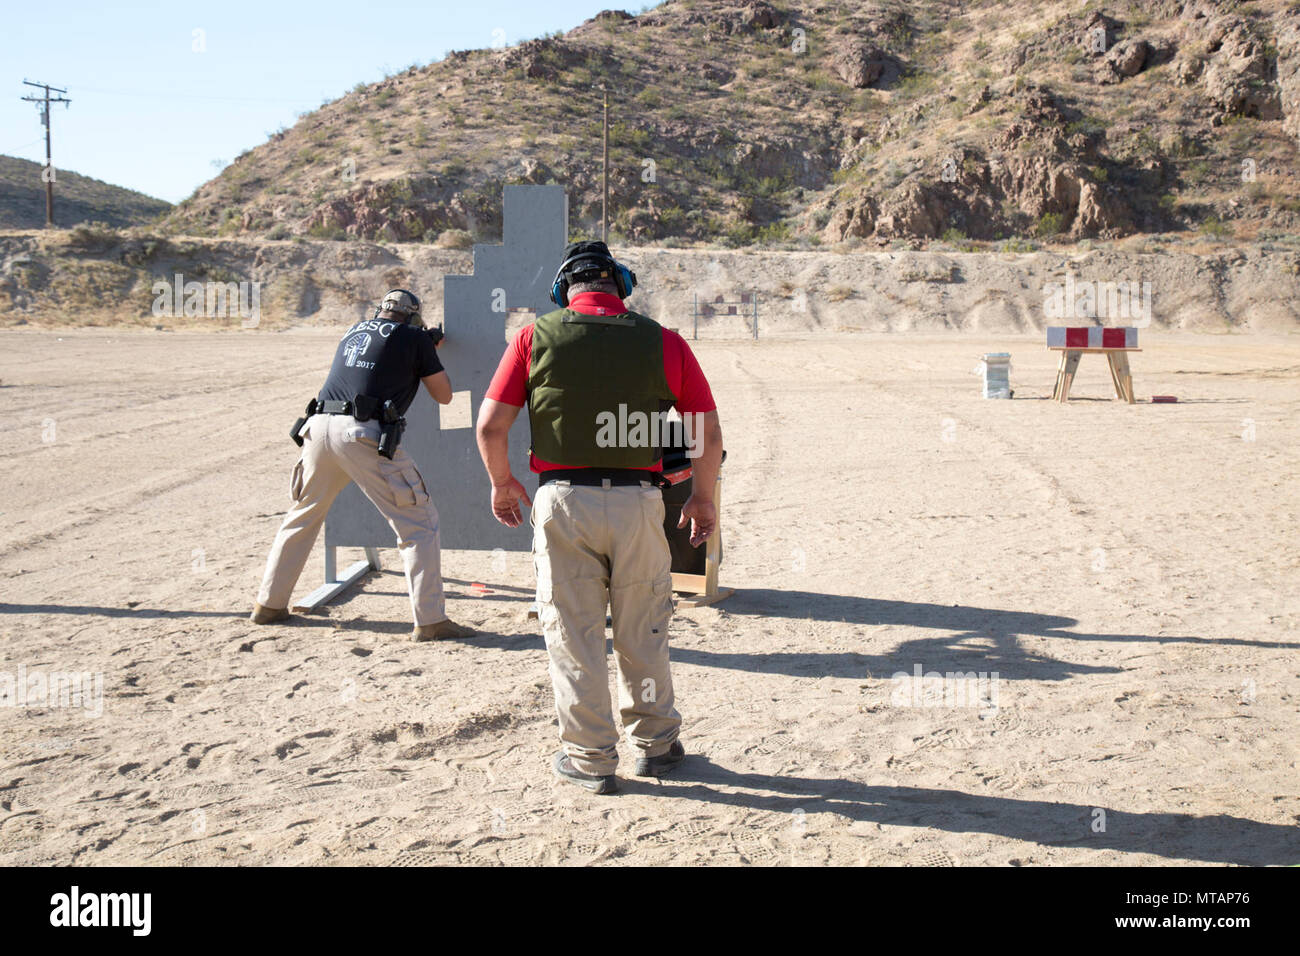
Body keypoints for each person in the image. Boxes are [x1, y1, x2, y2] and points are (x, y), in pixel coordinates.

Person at [475, 241, 723, 793]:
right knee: (644, 627)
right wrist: (702, 498)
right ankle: (656, 746)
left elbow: (491, 427)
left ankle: (590, 759)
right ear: (620, 285)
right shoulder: (664, 341)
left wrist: (502, 483)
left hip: (564, 500)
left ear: (566, 290)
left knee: (574, 633)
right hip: (640, 501)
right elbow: (707, 429)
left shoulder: (532, 338)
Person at [250, 289, 473, 641]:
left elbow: (377, 356)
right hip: (361, 432)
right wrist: (427, 350)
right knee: (419, 522)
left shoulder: (354, 329)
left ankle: (269, 604)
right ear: (414, 317)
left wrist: (420, 348)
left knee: (303, 515)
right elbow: (443, 395)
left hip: (316, 427)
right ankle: (431, 621)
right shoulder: (415, 338)